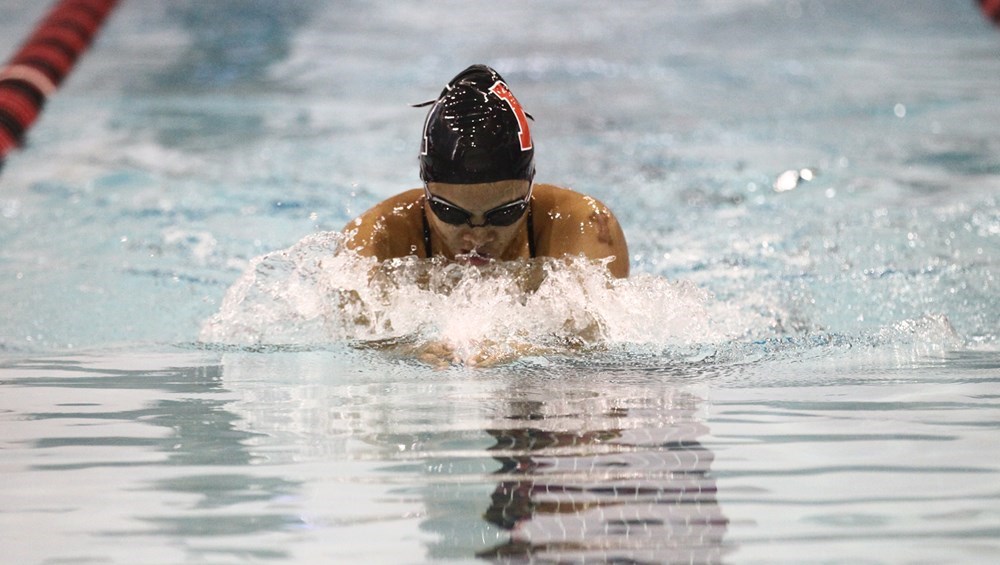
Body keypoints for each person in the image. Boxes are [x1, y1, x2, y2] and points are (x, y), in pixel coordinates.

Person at [343, 64, 629, 279]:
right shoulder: (376, 241)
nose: (478, 239)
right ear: (427, 192)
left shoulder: (585, 226)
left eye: (504, 213)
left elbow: (596, 340)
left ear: (530, 187)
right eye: (452, 214)